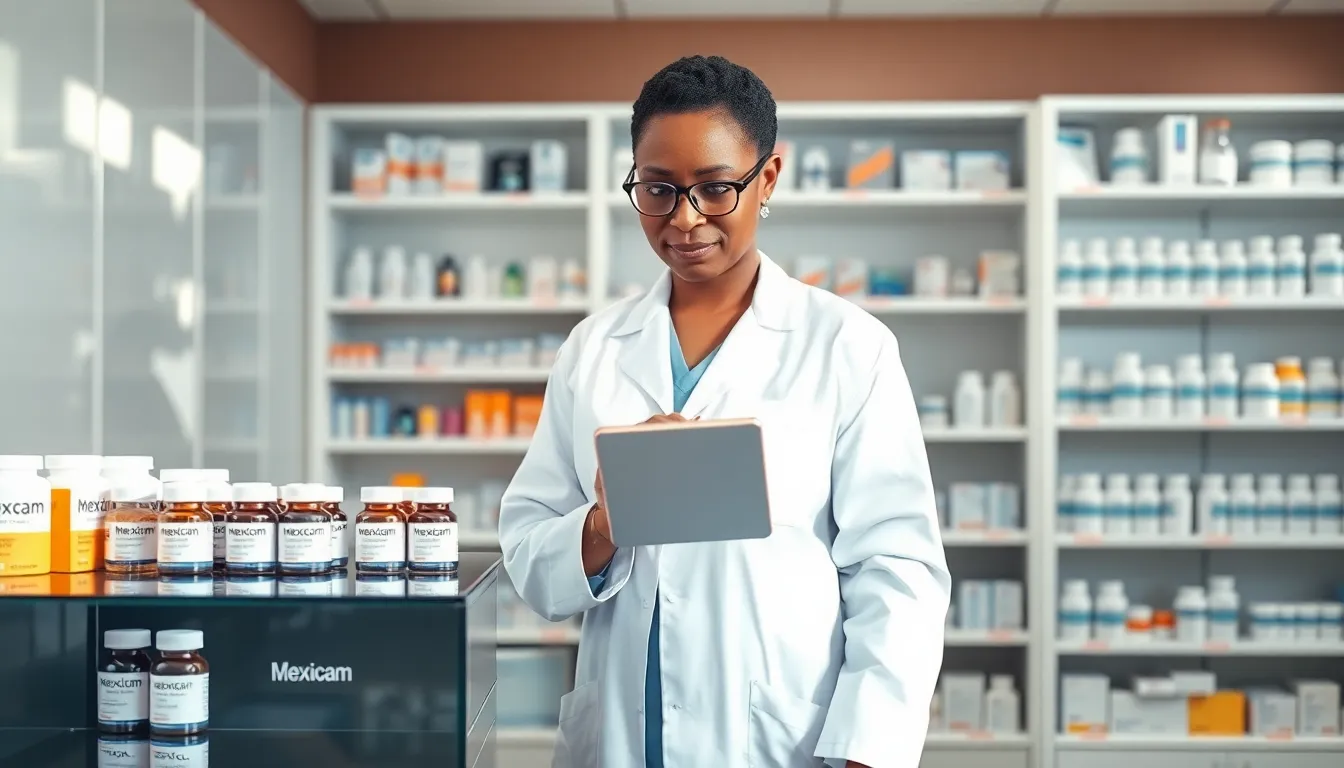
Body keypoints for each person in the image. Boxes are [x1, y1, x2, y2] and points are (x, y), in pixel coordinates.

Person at [498, 55, 950, 768]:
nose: (684, 219)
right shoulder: (594, 350)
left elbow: (896, 570)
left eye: (715, 188)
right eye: (658, 189)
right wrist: (603, 525)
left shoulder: (846, 346)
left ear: (766, 178)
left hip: (776, 738)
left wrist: (869, 752)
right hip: (622, 735)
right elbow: (527, 554)